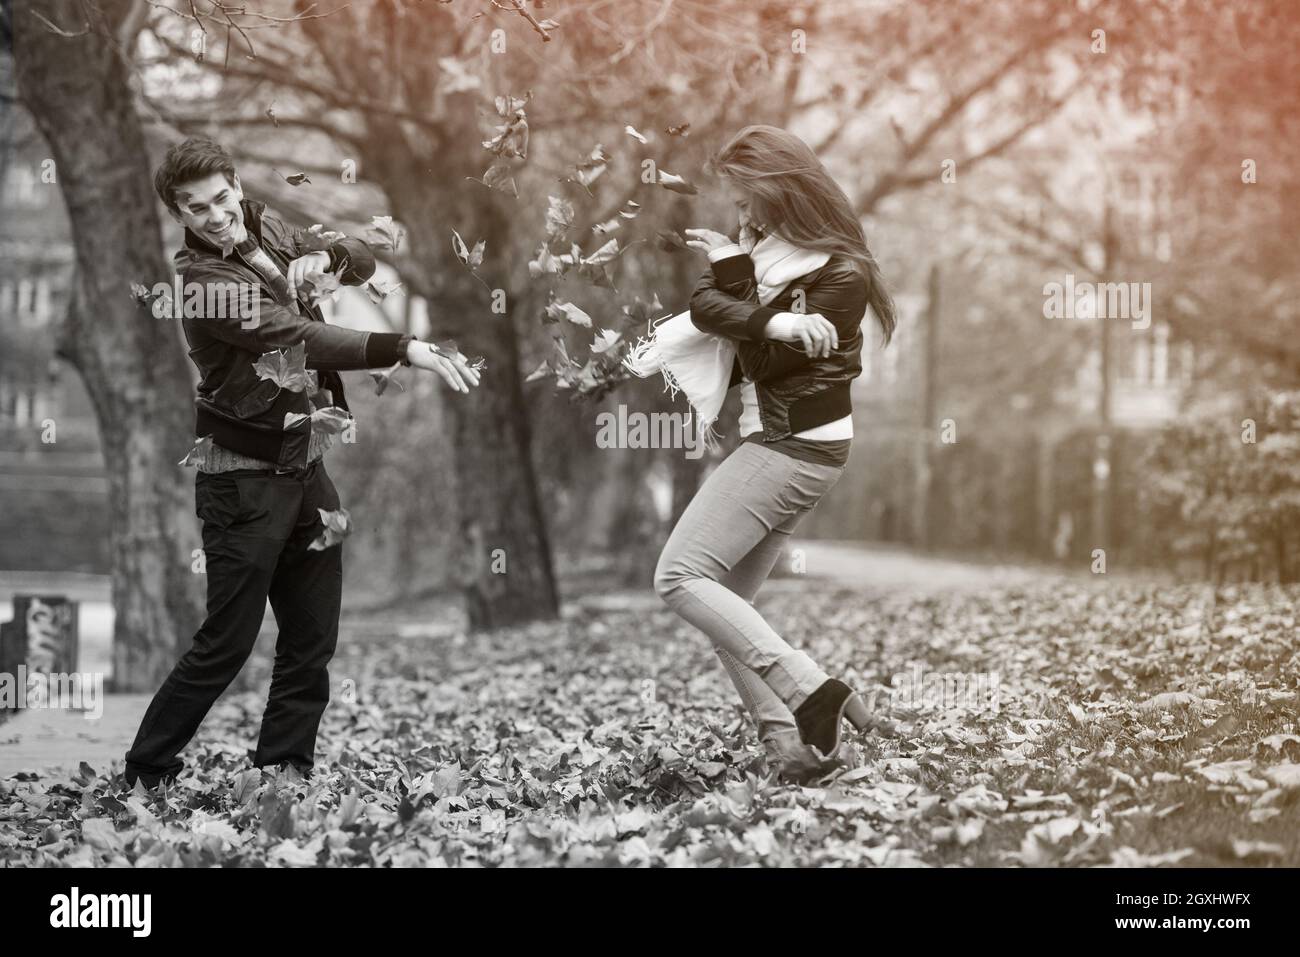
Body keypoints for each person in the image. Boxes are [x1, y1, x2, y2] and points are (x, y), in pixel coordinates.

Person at [123, 136, 480, 789]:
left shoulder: (268, 223)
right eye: (196, 208)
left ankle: (285, 766)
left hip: (305, 468)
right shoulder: (204, 283)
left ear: (236, 186)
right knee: (228, 642)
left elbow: (365, 257)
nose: (216, 215)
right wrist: (406, 347)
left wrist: (327, 255)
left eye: (222, 198)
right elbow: (296, 335)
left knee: (313, 634)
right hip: (241, 479)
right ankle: (147, 768)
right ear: (179, 213)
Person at [652, 125, 897, 783]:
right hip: (787, 443)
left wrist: (743, 287)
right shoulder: (770, 253)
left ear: (778, 189)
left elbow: (759, 358)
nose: (740, 216)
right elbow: (707, 307)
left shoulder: (841, 276)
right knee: (729, 604)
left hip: (795, 446)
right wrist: (736, 269)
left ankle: (815, 691)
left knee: (677, 576)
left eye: (744, 199)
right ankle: (793, 749)